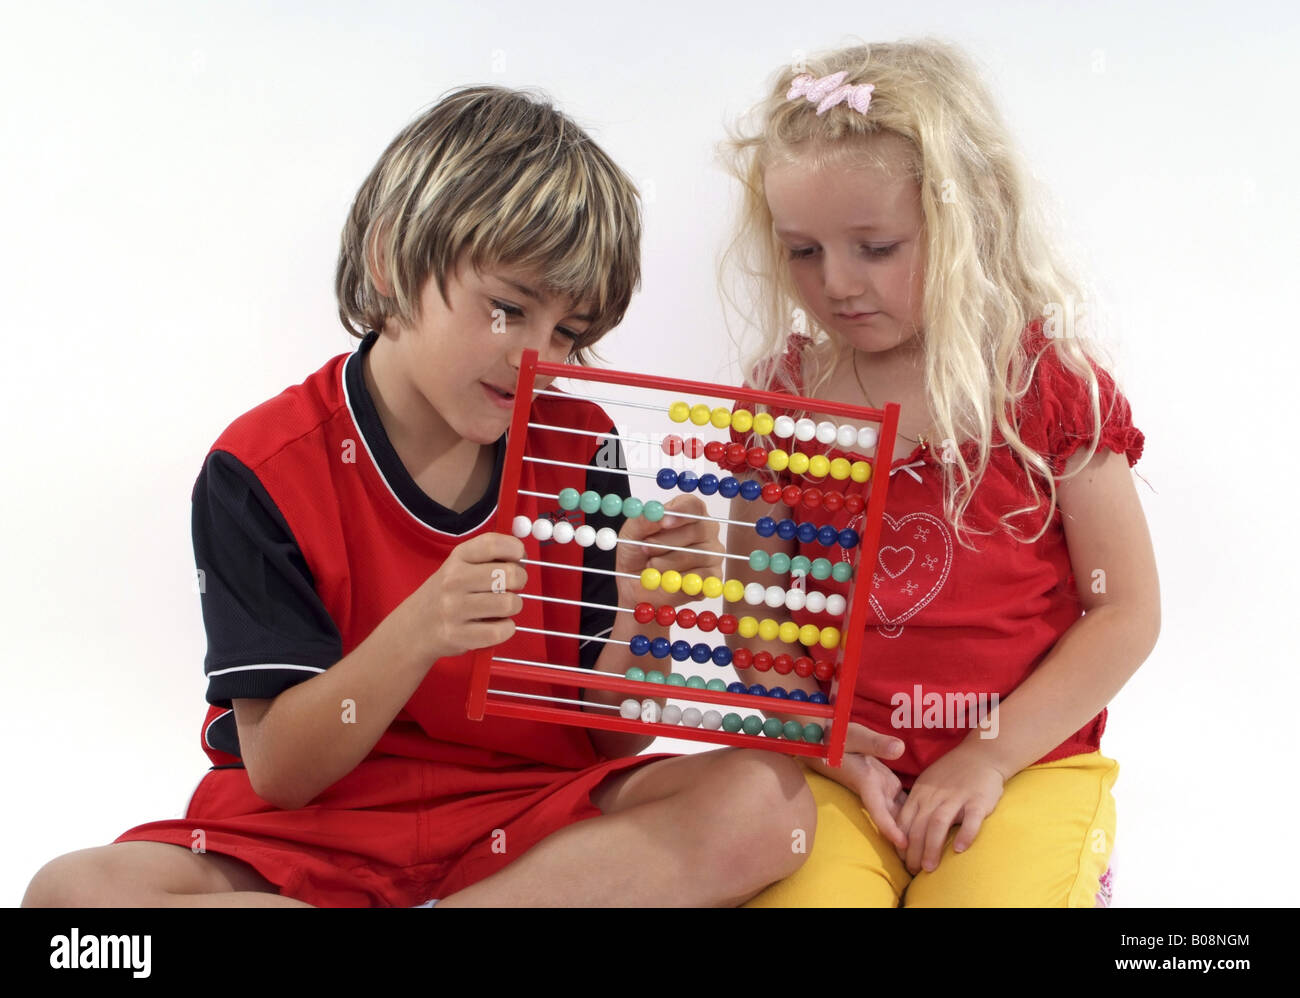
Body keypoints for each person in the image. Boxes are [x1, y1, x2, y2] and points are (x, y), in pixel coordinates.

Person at [23, 85, 815, 909]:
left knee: (768, 798)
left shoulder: (582, 445)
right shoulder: (261, 466)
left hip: (528, 831)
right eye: (507, 309)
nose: (535, 359)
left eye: (569, 333)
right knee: (73, 895)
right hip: (312, 837)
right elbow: (284, 774)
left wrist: (649, 615)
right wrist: (420, 630)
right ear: (391, 261)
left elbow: (604, 732)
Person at [711, 40, 1159, 906]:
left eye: (875, 247)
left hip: (1025, 761)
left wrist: (988, 752)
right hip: (839, 770)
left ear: (968, 217)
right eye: (803, 251)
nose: (836, 283)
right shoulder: (782, 400)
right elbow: (755, 609)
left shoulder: (1047, 387)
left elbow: (1126, 610)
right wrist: (824, 746)